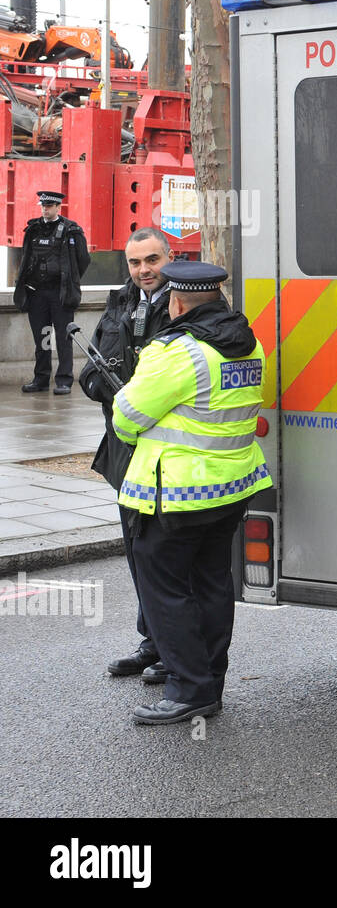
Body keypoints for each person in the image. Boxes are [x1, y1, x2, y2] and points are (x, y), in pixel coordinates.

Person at [112, 261, 272, 725]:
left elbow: (126, 419)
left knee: (165, 591)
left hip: (177, 495)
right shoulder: (249, 342)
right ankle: (209, 682)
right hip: (231, 486)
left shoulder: (174, 351)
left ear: (177, 302)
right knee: (212, 584)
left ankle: (190, 691)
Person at [81, 228, 174, 684]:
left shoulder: (184, 303)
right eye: (135, 263)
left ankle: (175, 650)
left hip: (166, 454)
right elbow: (89, 371)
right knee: (138, 550)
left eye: (152, 260)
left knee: (167, 556)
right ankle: (152, 642)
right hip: (124, 449)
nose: (143, 271)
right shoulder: (120, 303)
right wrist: (106, 390)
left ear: (168, 257)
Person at [13, 191, 91, 394]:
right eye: (43, 206)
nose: (45, 209)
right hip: (37, 293)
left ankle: (64, 380)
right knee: (42, 338)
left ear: (58, 207)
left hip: (60, 293)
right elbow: (26, 257)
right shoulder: (34, 229)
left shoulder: (71, 230)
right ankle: (41, 379)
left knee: (64, 338)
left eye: (49, 206)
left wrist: (70, 280)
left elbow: (83, 259)